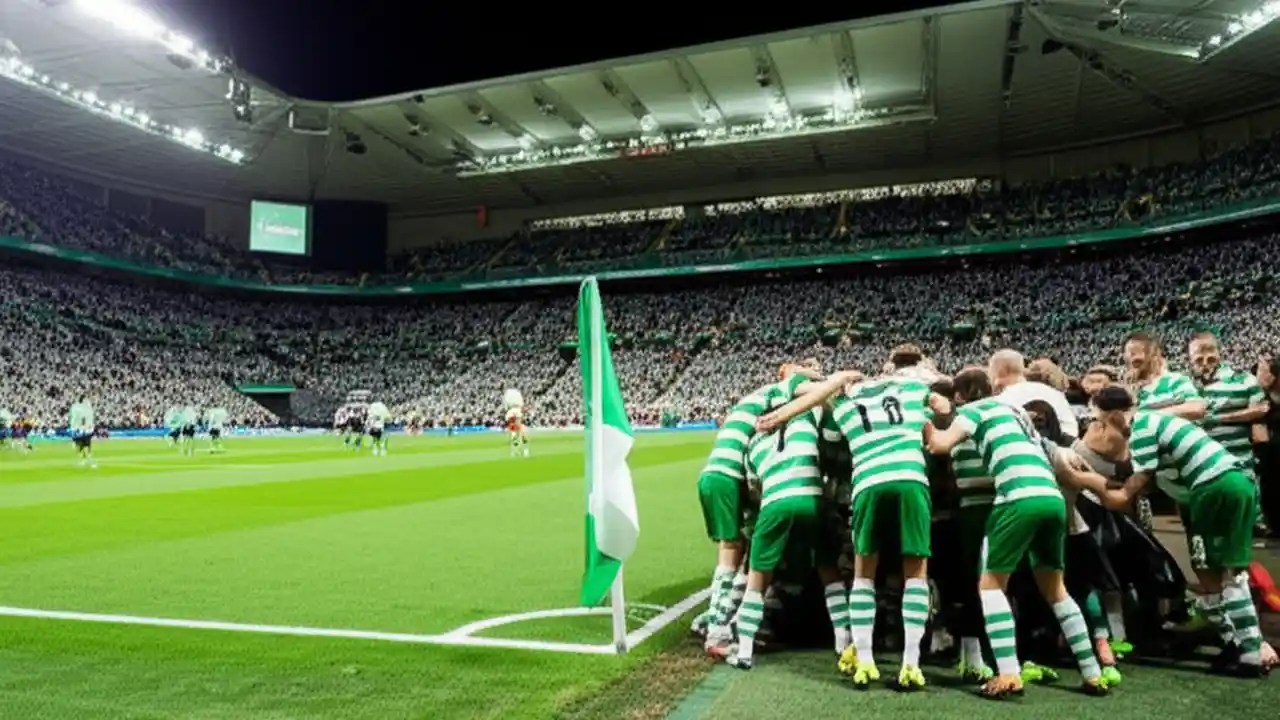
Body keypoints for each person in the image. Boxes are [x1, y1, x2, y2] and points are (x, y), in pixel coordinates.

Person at [924, 368, 1111, 697]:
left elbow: (940, 445)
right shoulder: (1016, 414)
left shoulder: (973, 411)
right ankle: (1092, 672)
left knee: (991, 584)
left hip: (1016, 497)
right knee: (1056, 590)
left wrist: (924, 417)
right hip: (1052, 499)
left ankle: (1008, 673)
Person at [1075, 385, 1278, 676]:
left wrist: (1083, 478)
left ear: (1117, 416)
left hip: (1214, 488)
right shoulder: (1155, 424)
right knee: (1210, 571)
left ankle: (1249, 653)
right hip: (1231, 483)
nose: (1100, 429)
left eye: (1100, 422)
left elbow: (1123, 497)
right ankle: (1240, 643)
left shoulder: (1142, 427)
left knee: (1226, 575)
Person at [759, 366, 936, 691]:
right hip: (911, 477)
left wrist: (786, 411)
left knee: (864, 574)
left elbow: (810, 404)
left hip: (868, 479)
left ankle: (865, 661)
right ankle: (911, 664)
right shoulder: (912, 388)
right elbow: (941, 401)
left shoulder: (847, 398)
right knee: (916, 573)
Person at [68, 395, 97, 469]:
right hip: (79, 430)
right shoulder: (79, 409)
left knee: (87, 447)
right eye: (85, 399)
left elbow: (88, 419)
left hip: (85, 430)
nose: (87, 401)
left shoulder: (86, 408)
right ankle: (84, 460)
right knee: (79, 447)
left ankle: (90, 461)